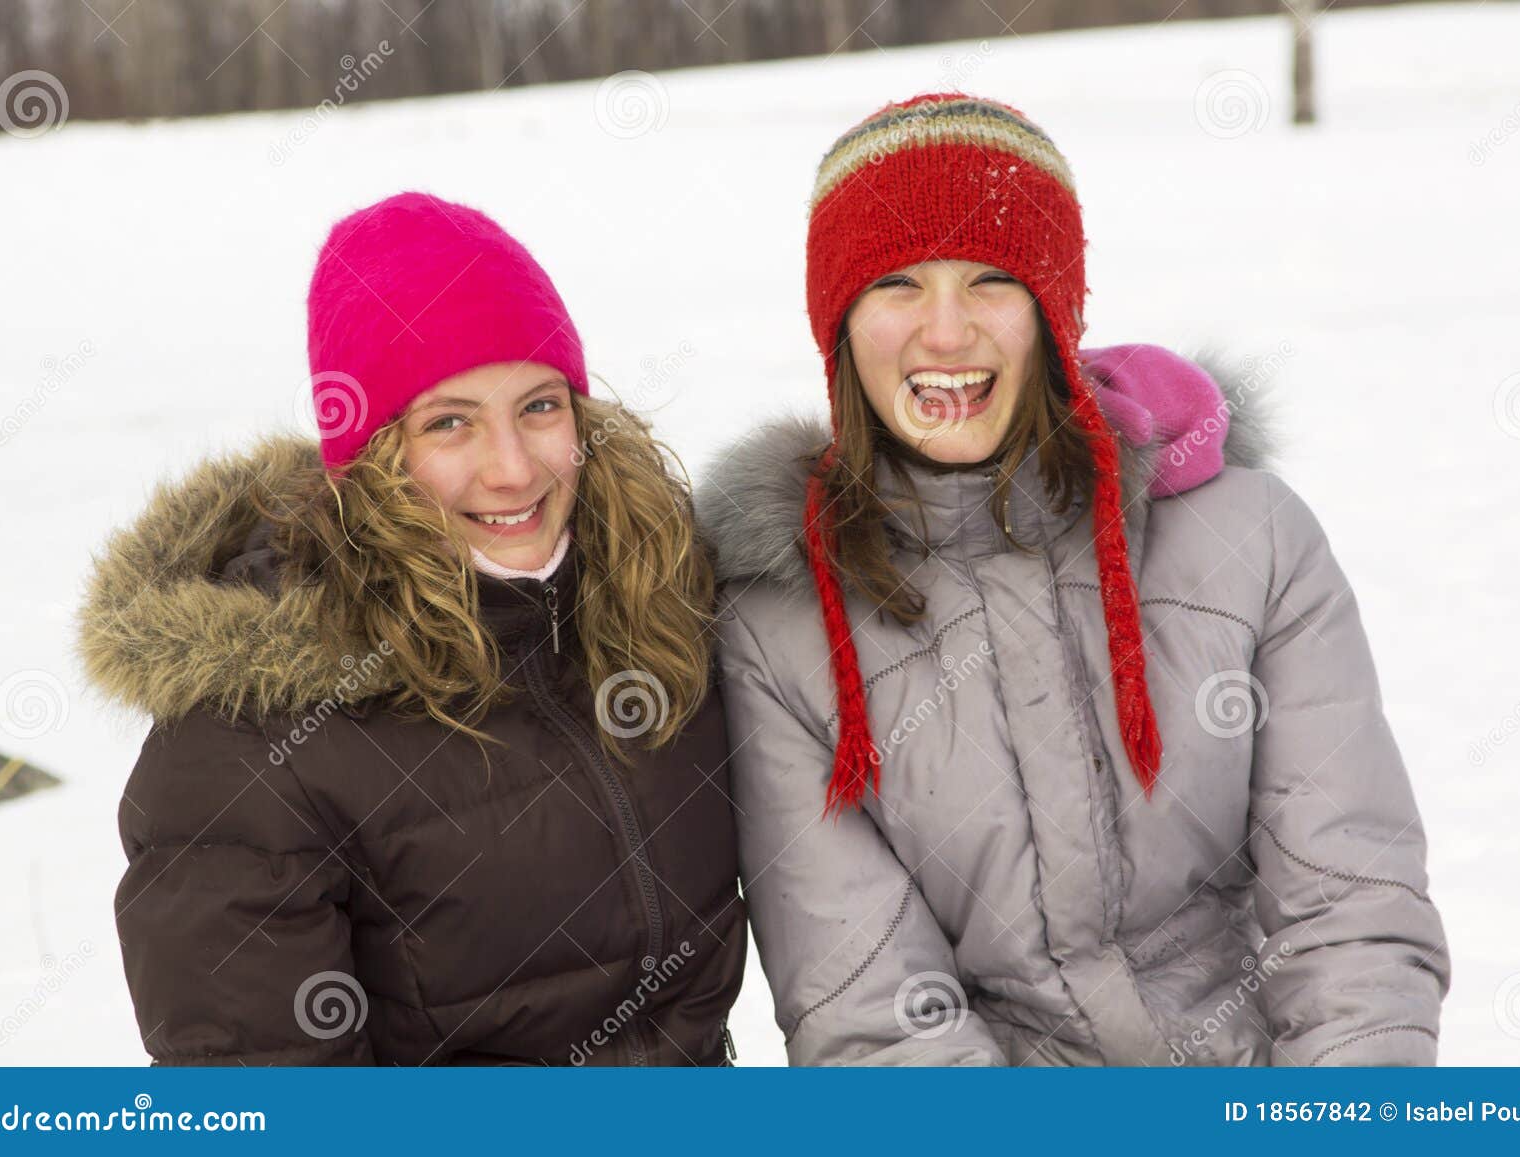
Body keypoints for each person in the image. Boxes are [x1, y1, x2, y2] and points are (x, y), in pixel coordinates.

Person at [699, 94, 1449, 1066]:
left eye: (990, 280)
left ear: (1051, 311)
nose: (944, 331)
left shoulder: (1246, 539)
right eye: (895, 284)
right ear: (837, 324)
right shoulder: (782, 626)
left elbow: (1350, 910)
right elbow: (877, 1015)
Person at [78, 191, 745, 1066]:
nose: (512, 469)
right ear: (374, 456)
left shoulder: (661, 603)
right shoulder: (249, 744)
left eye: (540, 406)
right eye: (449, 422)